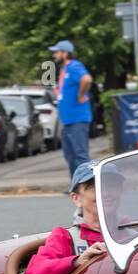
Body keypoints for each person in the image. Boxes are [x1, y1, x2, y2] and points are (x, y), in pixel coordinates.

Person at [23, 161, 107, 274]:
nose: (105, 193)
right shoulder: (65, 237)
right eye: (95, 187)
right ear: (76, 199)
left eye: (110, 185)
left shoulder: (135, 231)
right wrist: (77, 261)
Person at [49, 39, 93, 176]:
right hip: (67, 120)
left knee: (80, 155)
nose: (54, 55)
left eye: (56, 52)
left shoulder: (74, 66)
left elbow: (86, 79)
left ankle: (87, 186)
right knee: (71, 156)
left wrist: (81, 94)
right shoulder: (64, 69)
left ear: (65, 53)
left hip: (77, 119)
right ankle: (77, 187)